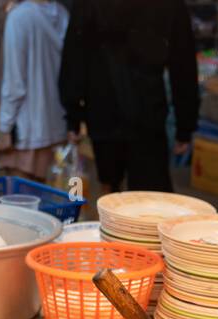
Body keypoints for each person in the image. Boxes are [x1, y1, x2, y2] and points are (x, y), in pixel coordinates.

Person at [59, 0, 198, 194]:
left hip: (103, 105)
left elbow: (74, 54)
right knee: (149, 197)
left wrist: (73, 114)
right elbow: (183, 64)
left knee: (109, 191)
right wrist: (185, 124)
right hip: (147, 110)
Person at [0, 0, 69, 181]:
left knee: (19, 204)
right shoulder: (62, 14)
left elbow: (14, 82)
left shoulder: (19, 17)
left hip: (24, 128)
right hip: (56, 127)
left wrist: (5, 128)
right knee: (49, 205)